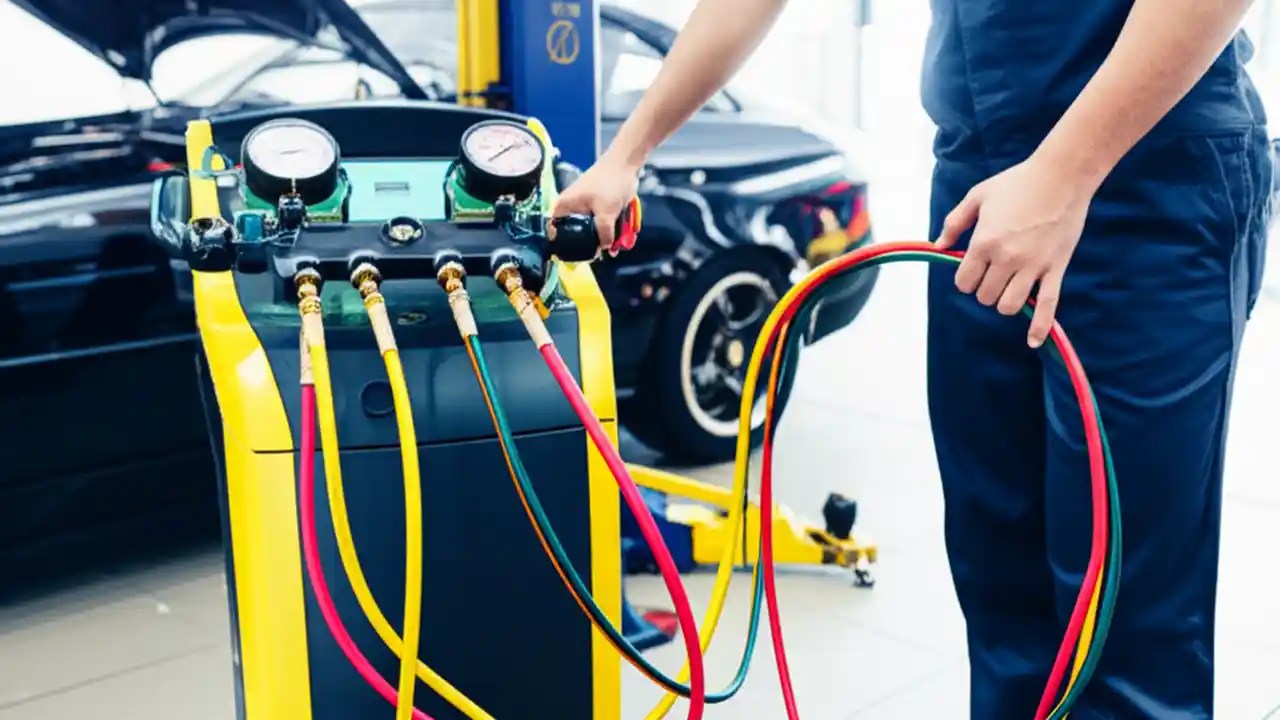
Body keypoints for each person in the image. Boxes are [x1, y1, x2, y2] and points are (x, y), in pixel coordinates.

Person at [551, 0, 1275, 717]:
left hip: (1145, 175)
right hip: (980, 176)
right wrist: (628, 151)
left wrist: (1065, 173)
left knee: (1121, 628)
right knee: (1004, 600)